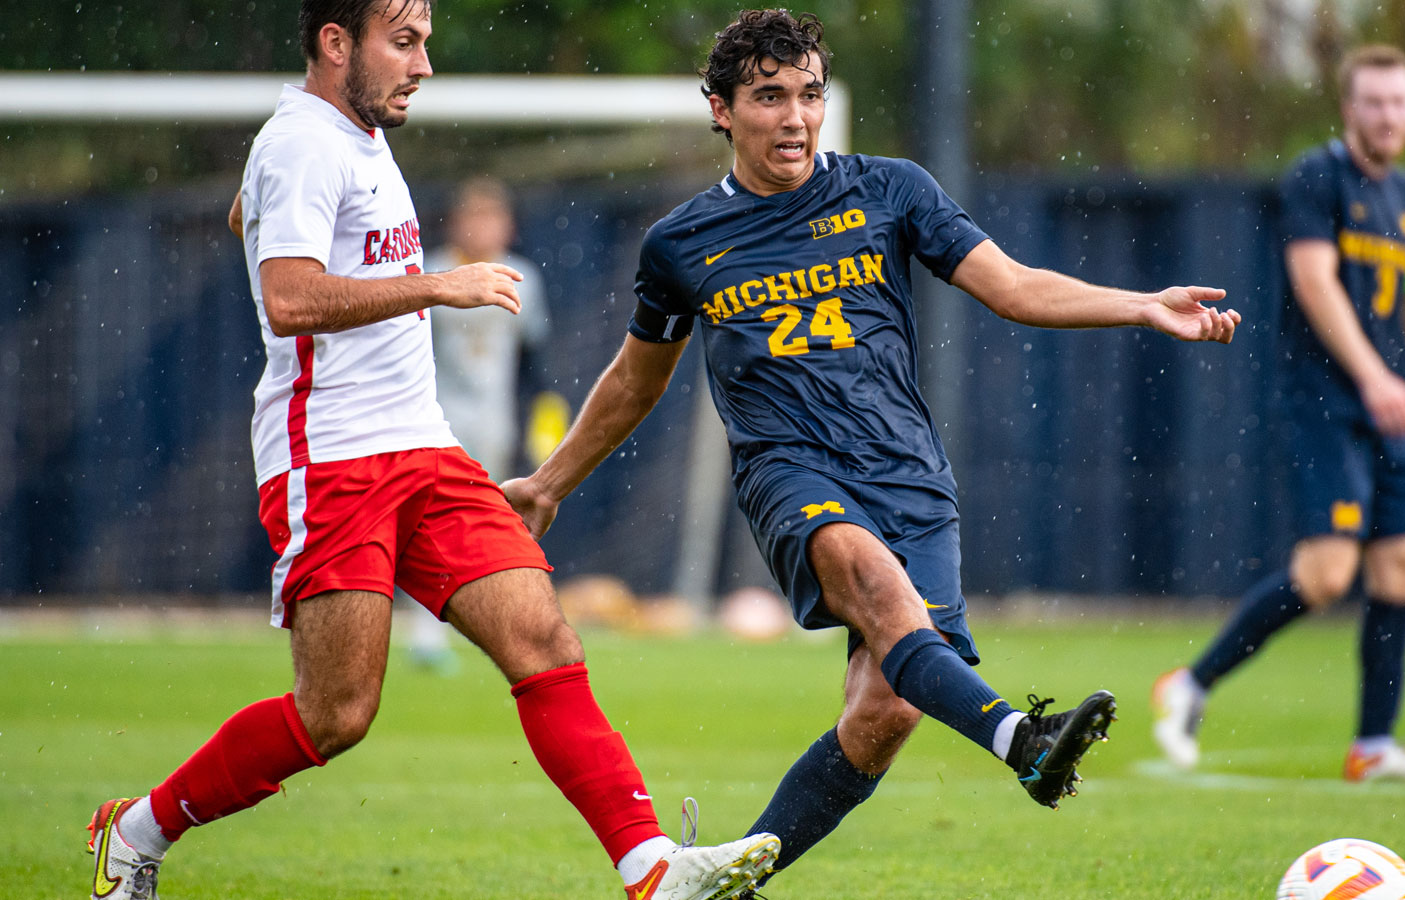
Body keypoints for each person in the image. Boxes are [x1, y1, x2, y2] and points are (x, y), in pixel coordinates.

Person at [502, 8, 1240, 889]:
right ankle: (1024, 741)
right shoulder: (681, 243)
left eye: (808, 94)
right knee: (881, 588)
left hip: (909, 475)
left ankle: (716, 884)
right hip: (789, 470)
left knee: (886, 707)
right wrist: (550, 484)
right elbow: (636, 379)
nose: (795, 117)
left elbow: (1012, 286)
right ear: (720, 109)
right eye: (769, 97)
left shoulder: (892, 190)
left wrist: (1141, 303)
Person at [85, 3, 779, 899]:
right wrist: (438, 284)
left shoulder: (344, 138)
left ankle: (650, 871)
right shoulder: (302, 142)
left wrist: (267, 215)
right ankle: (135, 829)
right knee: (337, 715)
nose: (424, 64)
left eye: (424, 43)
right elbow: (290, 299)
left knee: (544, 637)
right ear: (337, 42)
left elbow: (253, 221)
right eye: (403, 42)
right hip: (332, 459)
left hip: (425, 448)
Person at [1152, 45, 1405, 785]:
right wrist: (1373, 377)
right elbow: (1314, 281)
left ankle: (1373, 745)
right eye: (1375, 102)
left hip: (1383, 405)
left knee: (1402, 568)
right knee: (1327, 574)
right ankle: (1190, 685)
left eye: (1400, 102)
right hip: (1323, 402)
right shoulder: (1316, 178)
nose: (1389, 116)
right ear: (1348, 108)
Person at [402, 177, 552, 673]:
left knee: (484, 531)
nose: (485, 227)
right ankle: (423, 635)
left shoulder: (524, 275)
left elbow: (533, 361)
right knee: (423, 528)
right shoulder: (426, 273)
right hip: (433, 424)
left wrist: (543, 419)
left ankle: (486, 629)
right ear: (457, 221)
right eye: (475, 216)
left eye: (494, 217)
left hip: (495, 427)